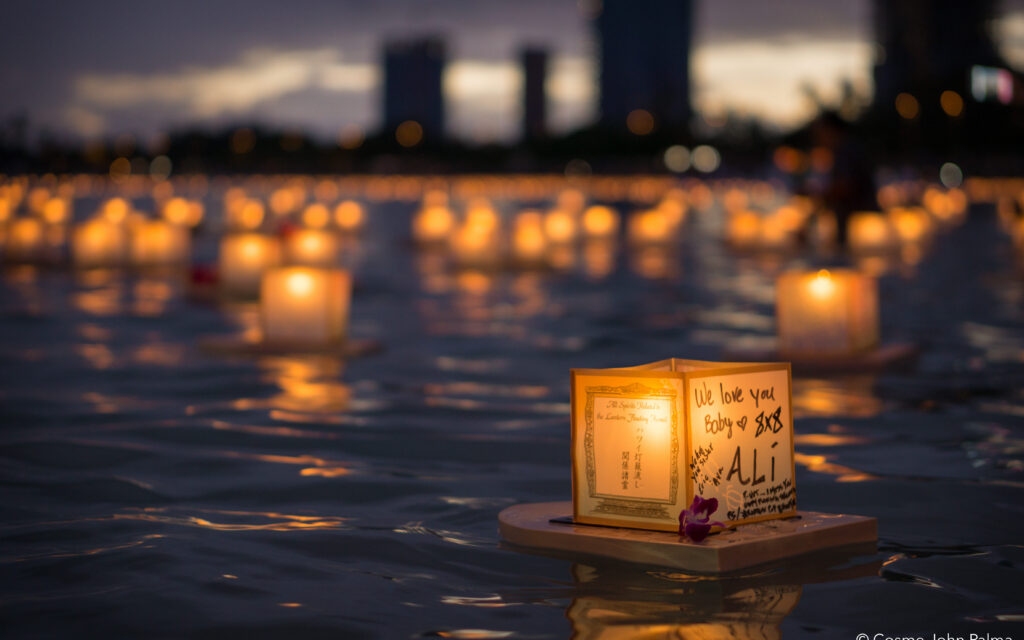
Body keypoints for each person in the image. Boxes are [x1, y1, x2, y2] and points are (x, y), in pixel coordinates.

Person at [812, 111, 877, 247]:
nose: (818, 137)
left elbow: (845, 187)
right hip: (856, 220)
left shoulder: (846, 150)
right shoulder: (843, 150)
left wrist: (818, 194)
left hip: (861, 223)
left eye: (821, 131)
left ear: (831, 130)